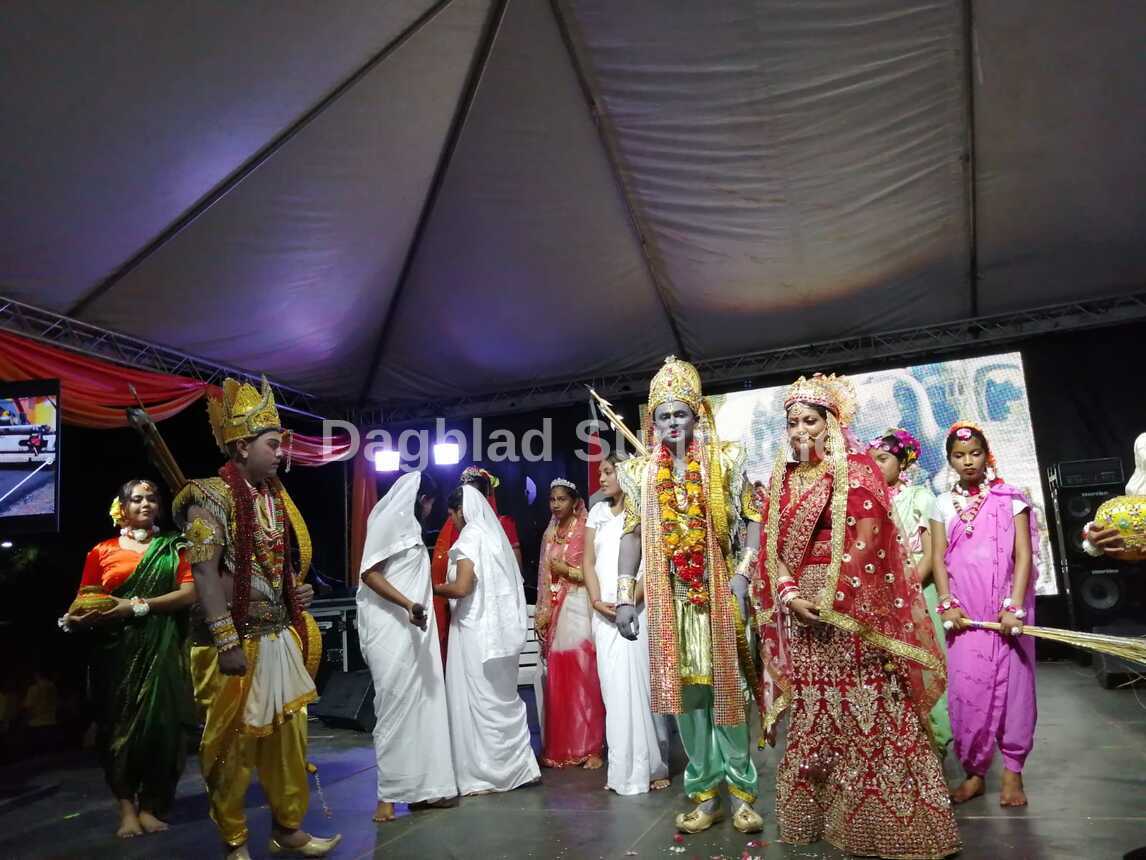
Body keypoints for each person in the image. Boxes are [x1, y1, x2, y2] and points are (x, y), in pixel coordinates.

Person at [754, 373, 960, 858]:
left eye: (810, 420)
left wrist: (833, 600)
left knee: (872, 711)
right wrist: (787, 593)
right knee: (816, 712)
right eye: (792, 423)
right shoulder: (781, 479)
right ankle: (820, 817)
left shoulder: (859, 471)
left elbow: (868, 544)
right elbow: (770, 548)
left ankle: (893, 825)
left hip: (854, 613)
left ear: (830, 424)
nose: (800, 430)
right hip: (801, 615)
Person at [174, 377, 339, 860]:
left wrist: (295, 591)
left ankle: (288, 829)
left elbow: (271, 566)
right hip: (231, 643)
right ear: (242, 446)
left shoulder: (272, 497)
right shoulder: (210, 496)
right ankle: (234, 842)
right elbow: (205, 572)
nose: (281, 454)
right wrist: (225, 642)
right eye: (273, 444)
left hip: (275, 635)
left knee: (290, 738)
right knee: (229, 746)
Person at [614, 356, 764, 835]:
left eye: (681, 413)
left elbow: (754, 519)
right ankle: (704, 795)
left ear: (697, 416)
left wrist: (742, 577)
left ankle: (742, 796)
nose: (673, 423)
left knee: (729, 697)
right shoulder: (639, 474)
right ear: (651, 422)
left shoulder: (726, 458)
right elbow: (632, 536)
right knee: (689, 702)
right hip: (667, 598)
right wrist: (622, 598)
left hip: (717, 595)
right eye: (664, 415)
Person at [59, 479, 196, 839]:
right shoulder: (101, 551)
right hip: (115, 653)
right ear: (122, 507)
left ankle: (152, 806)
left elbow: (188, 594)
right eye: (137, 499)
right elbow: (84, 599)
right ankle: (126, 809)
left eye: (152, 498)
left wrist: (136, 606)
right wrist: (76, 619)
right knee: (118, 731)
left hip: (163, 647)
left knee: (164, 728)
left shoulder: (174, 547)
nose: (146, 504)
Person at [931, 421, 1038, 809]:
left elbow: (1022, 555)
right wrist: (946, 601)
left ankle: (1013, 774)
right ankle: (974, 775)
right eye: (959, 456)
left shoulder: (1011, 498)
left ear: (986, 454)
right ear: (949, 461)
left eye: (974, 453)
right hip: (965, 616)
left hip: (1006, 614)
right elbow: (940, 559)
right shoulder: (942, 503)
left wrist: (1014, 606)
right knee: (966, 694)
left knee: (1015, 693)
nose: (968, 461)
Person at [357, 470, 457, 822]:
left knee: (421, 708)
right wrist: (407, 604)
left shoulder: (411, 529)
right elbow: (369, 573)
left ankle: (421, 792)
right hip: (391, 632)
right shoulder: (390, 523)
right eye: (430, 502)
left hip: (413, 630)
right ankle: (387, 795)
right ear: (422, 499)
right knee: (394, 709)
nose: (430, 509)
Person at [434, 485, 540, 795]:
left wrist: (434, 588)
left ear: (459, 511)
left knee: (479, 700)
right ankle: (520, 766)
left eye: (452, 514)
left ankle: (487, 773)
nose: (452, 521)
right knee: (503, 699)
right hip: (499, 636)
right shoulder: (495, 539)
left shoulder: (469, 538)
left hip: (474, 634)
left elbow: (463, 587)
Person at [583, 455, 670, 795]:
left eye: (608, 472)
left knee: (641, 685)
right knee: (614, 689)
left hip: (636, 608)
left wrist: (628, 602)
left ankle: (652, 765)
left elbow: (651, 562)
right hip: (602, 610)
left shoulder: (644, 509)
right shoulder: (597, 513)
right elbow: (587, 561)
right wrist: (595, 601)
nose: (602, 478)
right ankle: (621, 769)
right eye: (600, 472)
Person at [868, 429, 953, 758]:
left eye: (884, 459)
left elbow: (932, 554)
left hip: (919, 595)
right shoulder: (867, 503)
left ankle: (938, 744)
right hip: (881, 601)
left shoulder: (920, 497)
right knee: (892, 671)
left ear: (902, 463)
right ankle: (904, 749)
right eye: (871, 461)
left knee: (927, 666)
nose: (876, 466)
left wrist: (904, 588)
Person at [534, 478, 605, 768]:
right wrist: (543, 612)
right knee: (561, 678)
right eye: (552, 500)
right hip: (558, 611)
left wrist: (567, 571)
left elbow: (594, 570)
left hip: (580, 604)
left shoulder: (585, 528)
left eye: (561, 499)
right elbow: (544, 577)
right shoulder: (550, 533)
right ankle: (564, 746)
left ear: (574, 501)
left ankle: (591, 748)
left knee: (584, 675)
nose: (556, 505)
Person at [430, 467, 522, 663]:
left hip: (474, 619)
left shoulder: (477, 532)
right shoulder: (461, 530)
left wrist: (433, 589)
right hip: (478, 616)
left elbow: (462, 587)